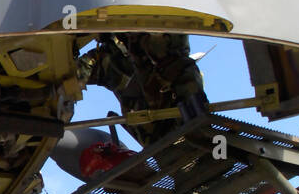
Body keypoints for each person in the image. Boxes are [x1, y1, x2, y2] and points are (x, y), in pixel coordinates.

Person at [77, 32, 207, 144]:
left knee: (181, 68)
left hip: (175, 120)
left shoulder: (154, 36)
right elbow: (71, 76)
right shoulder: (102, 57)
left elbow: (176, 54)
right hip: (153, 130)